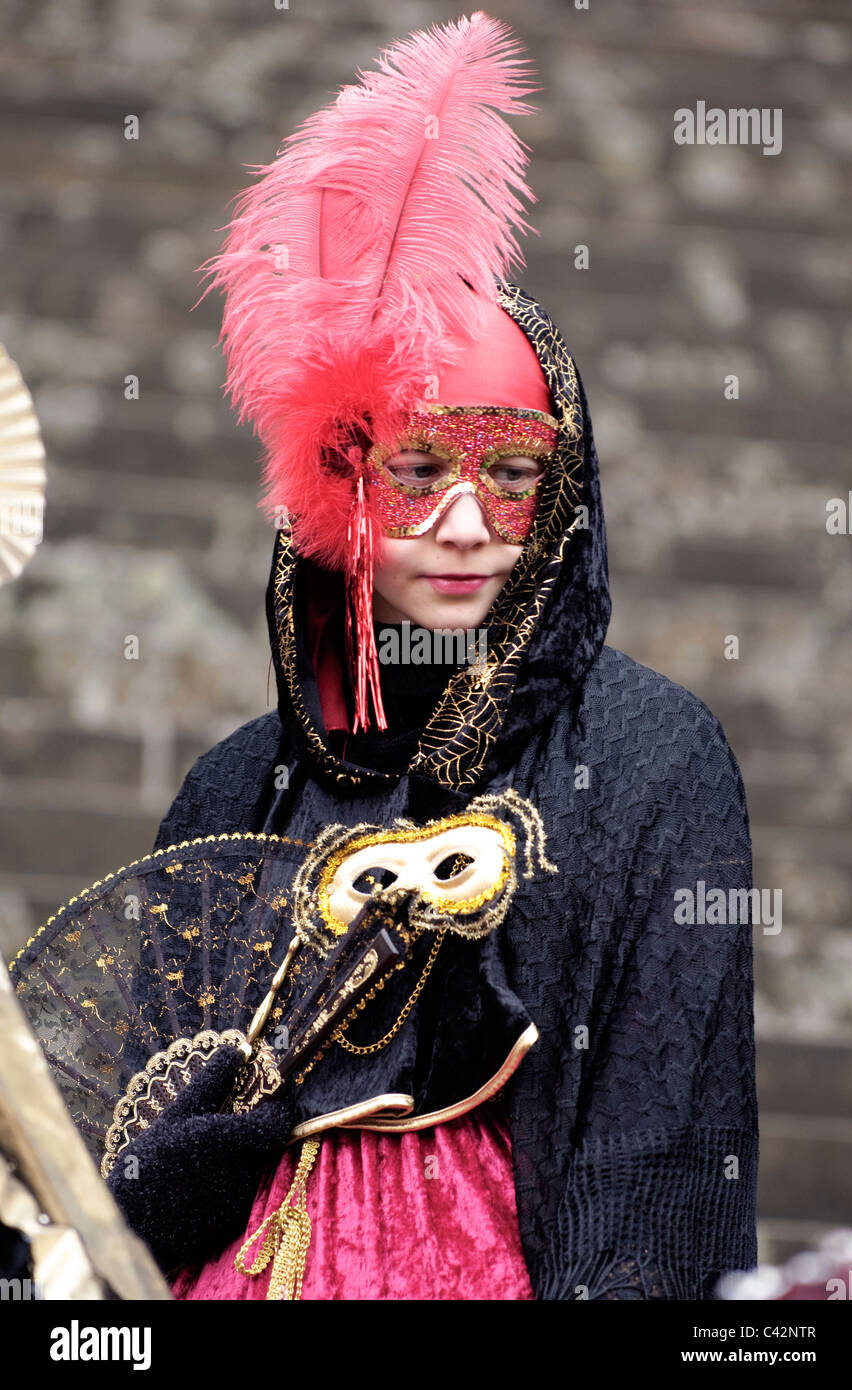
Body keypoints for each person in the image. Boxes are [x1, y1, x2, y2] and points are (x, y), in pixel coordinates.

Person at [105, 12, 759, 1300]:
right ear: (334, 487)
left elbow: (662, 1173)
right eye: (417, 469)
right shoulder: (233, 790)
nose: (465, 524)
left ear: (560, 489)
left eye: (512, 474)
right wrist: (157, 1201)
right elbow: (102, 1199)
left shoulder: (649, 763)